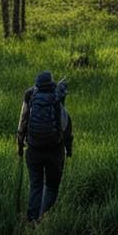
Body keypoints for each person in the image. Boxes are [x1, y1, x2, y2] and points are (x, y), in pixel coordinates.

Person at [17, 71, 73, 223]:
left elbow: (22, 123)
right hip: (55, 152)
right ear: (51, 84)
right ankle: (42, 218)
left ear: (37, 85)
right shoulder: (56, 98)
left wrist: (20, 146)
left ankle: (31, 220)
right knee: (52, 187)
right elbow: (65, 125)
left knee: (36, 186)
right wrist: (69, 149)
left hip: (34, 150)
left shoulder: (31, 97)